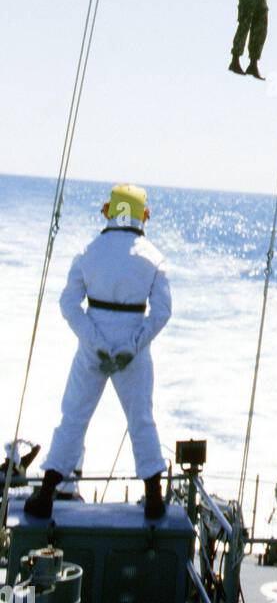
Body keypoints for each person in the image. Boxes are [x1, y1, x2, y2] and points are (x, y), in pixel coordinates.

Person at [24, 184, 172, 523]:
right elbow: (161, 313)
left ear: (109, 211)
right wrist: (130, 346)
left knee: (73, 418)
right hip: (133, 347)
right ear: (143, 216)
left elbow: (68, 304)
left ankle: (46, 495)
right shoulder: (153, 257)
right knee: (141, 420)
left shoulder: (88, 252)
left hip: (93, 344)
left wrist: (96, 342)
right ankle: (153, 497)